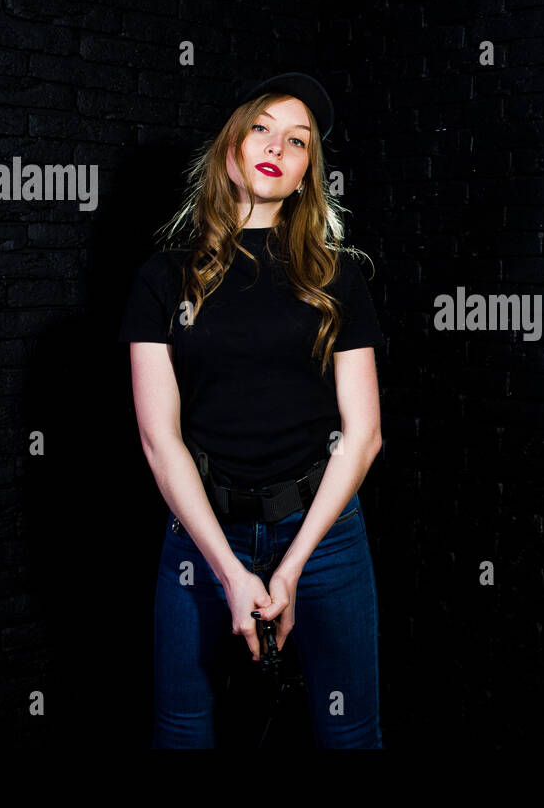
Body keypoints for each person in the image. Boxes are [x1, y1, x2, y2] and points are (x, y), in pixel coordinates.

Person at [117, 71, 385, 748]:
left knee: (351, 734)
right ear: (231, 147)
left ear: (304, 175)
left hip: (324, 536)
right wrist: (232, 573)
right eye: (262, 128)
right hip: (201, 537)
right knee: (182, 733)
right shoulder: (162, 277)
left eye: (297, 142)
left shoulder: (336, 275)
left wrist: (290, 566)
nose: (277, 146)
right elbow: (160, 441)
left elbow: (365, 436)